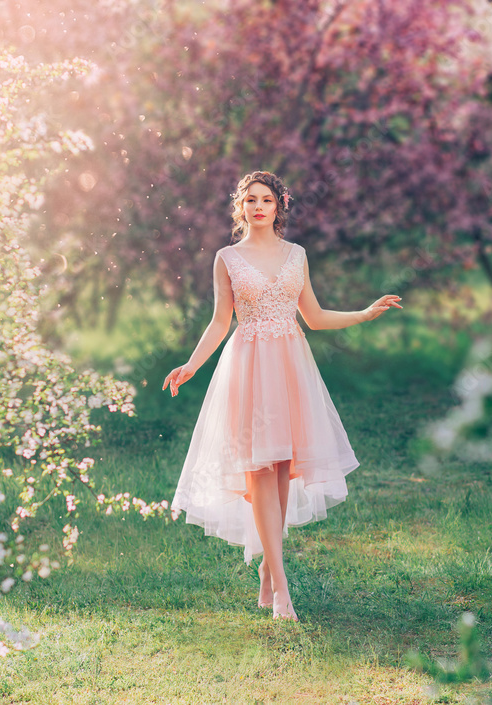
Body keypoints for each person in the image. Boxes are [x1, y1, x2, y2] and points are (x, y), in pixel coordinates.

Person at [162, 171, 402, 621]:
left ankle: (268, 570)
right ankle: (282, 592)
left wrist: (365, 314)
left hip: (291, 365)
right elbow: (220, 322)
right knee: (259, 469)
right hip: (249, 367)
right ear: (240, 206)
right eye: (250, 200)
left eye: (266, 200)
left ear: (278, 207)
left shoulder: (297, 255)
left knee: (283, 469)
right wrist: (191, 365)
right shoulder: (227, 258)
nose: (258, 207)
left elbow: (314, 316)